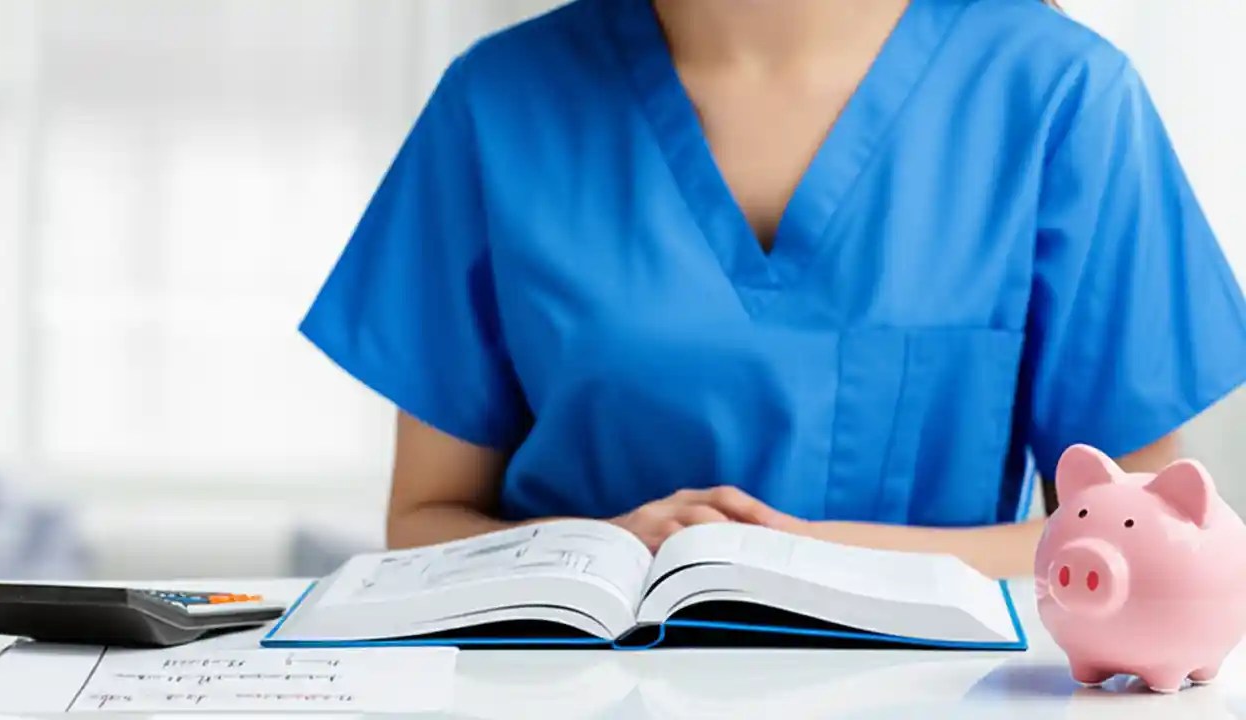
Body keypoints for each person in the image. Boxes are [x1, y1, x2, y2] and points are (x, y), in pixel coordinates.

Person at [300, 0, 1246, 578]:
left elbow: (1145, 533)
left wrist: (796, 559)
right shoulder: (498, 100)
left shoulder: (1059, 94)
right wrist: (608, 546)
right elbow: (420, 525)